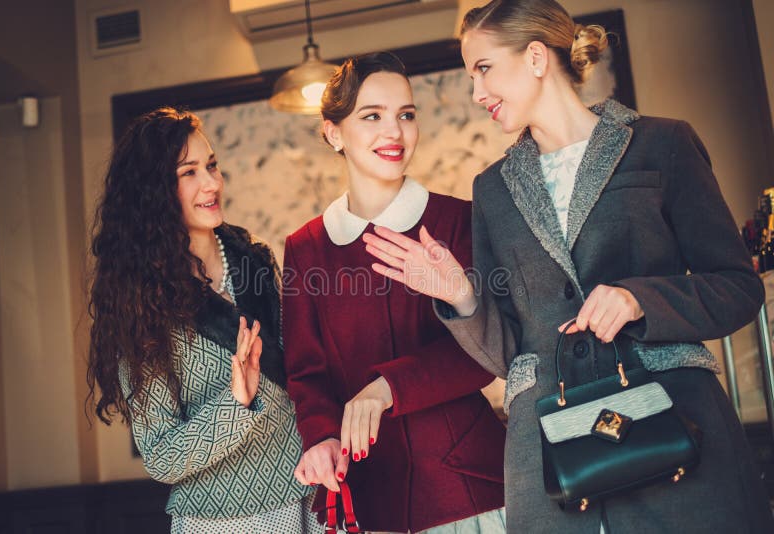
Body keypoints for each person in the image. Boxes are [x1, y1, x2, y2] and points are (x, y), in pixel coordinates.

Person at [362, 1, 774, 532]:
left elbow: (737, 287)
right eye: (470, 77)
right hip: (552, 455)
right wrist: (460, 296)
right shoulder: (493, 190)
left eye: (483, 69)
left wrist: (638, 300)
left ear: (536, 57)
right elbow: (510, 355)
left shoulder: (661, 144)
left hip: (675, 430)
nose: (476, 94)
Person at [282, 52, 506, 533]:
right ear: (333, 132)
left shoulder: (458, 220)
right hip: (365, 495)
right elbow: (307, 371)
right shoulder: (304, 248)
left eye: (406, 115)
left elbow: (482, 354)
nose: (395, 132)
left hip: (464, 487)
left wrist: (385, 389)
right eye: (372, 116)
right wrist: (320, 437)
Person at [87, 108, 320, 533]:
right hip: (225, 520)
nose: (211, 183)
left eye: (211, 165)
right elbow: (160, 456)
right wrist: (236, 404)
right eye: (189, 172)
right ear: (153, 191)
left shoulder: (252, 261)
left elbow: (304, 372)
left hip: (312, 493)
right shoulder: (142, 306)